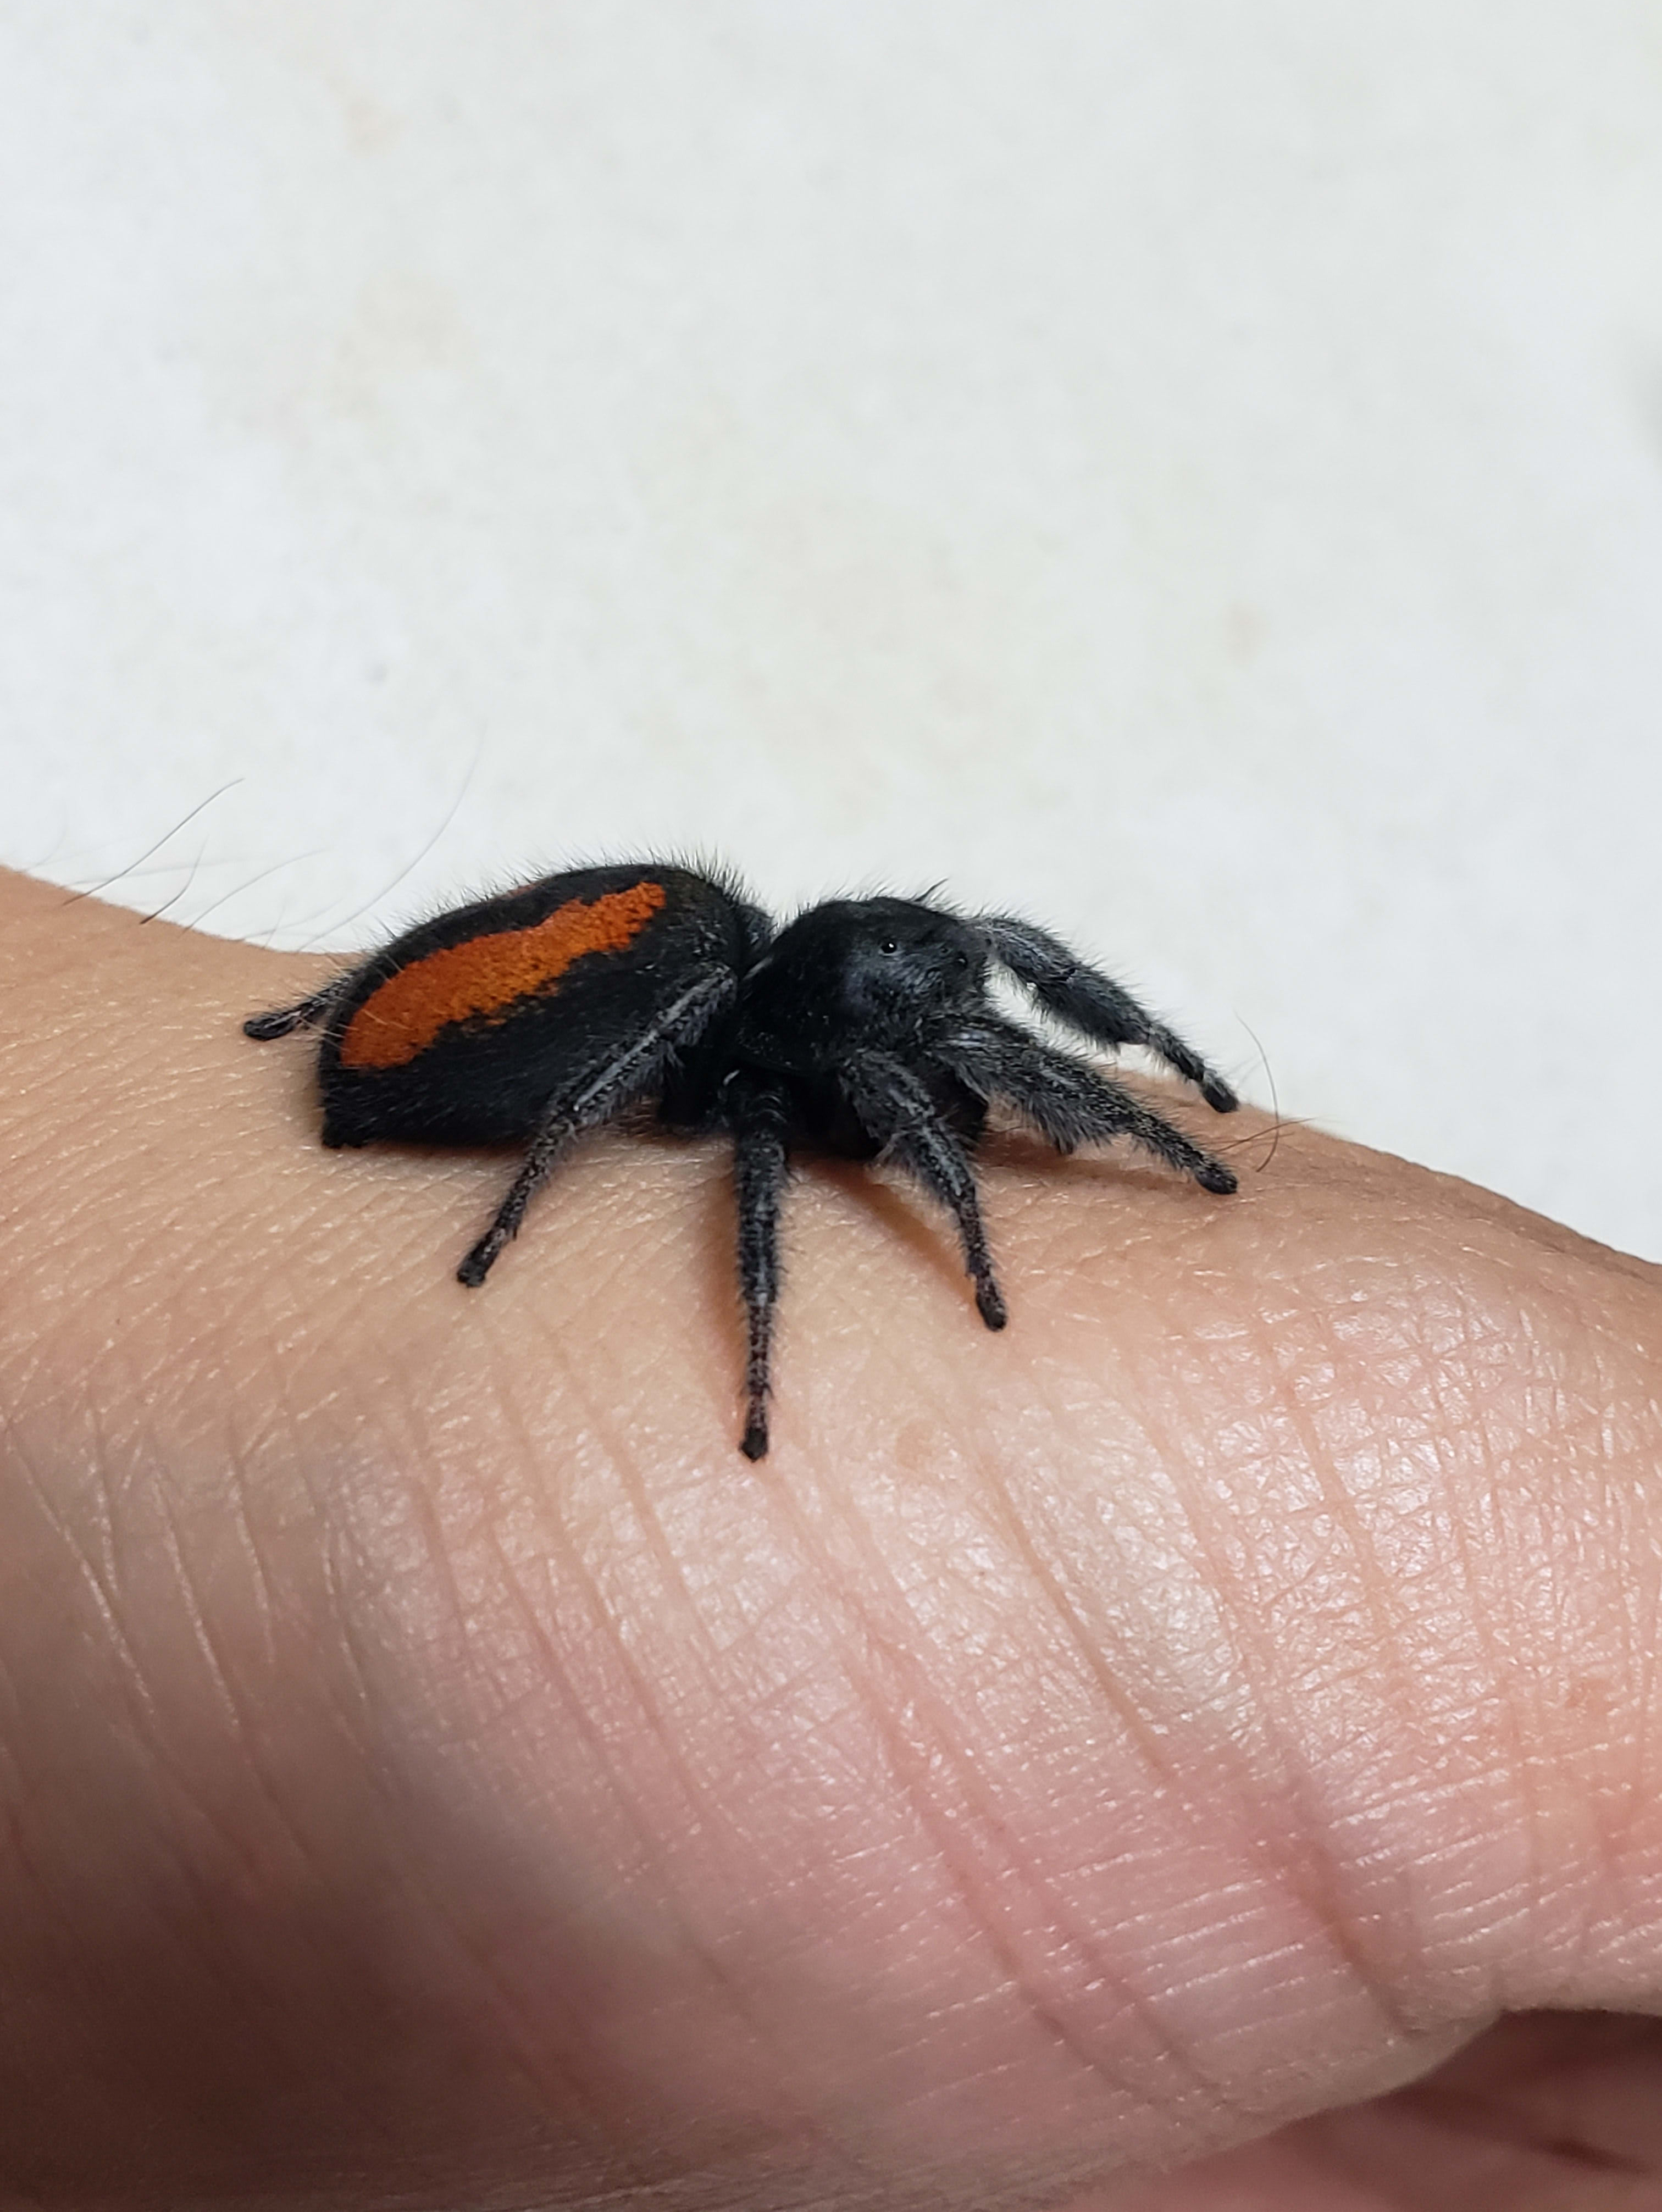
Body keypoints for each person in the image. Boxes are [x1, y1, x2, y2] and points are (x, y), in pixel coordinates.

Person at [1, 863, 1657, 2208]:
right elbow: (645, 1033)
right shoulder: (750, 1027)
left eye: (974, 995)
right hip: (475, 1060)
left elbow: (991, 1028)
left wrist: (1171, 1109)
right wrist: (530, 1208)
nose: (965, 1045)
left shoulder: (821, 985)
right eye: (931, 1019)